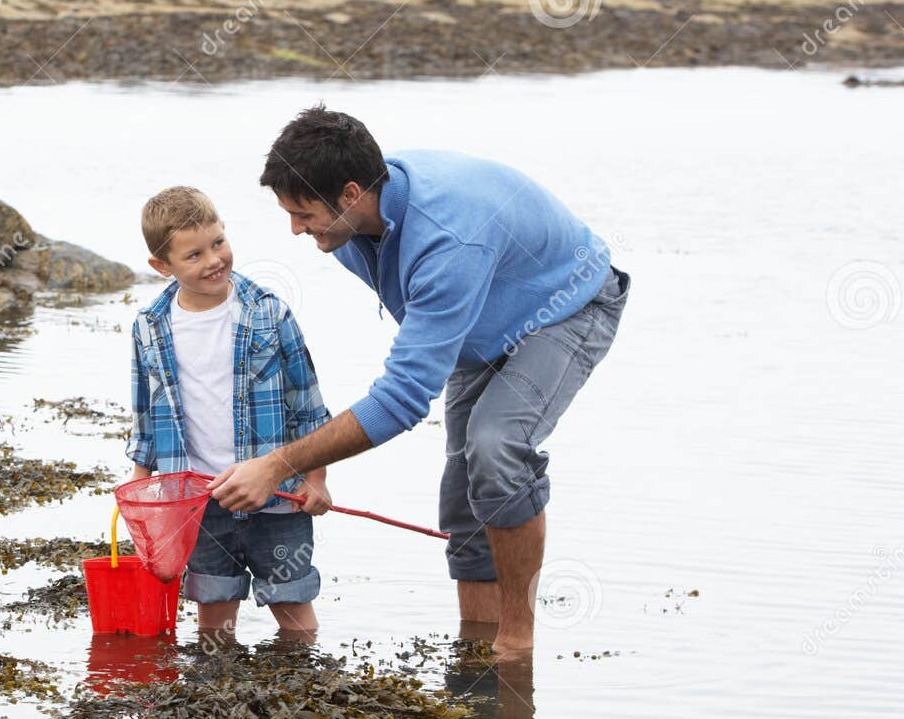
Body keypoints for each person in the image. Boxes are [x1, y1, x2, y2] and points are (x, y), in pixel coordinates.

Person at [212, 106, 629, 656]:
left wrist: (279, 464)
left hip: (568, 305)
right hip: (483, 319)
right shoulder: (352, 224)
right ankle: (477, 650)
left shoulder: (449, 239)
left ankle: (517, 645)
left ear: (352, 192)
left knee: (497, 448)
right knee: (463, 490)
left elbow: (404, 399)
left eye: (303, 212)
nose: (295, 228)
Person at [127, 186, 332, 637]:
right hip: (199, 503)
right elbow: (145, 417)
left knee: (294, 613)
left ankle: (302, 688)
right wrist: (140, 491)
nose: (213, 260)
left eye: (218, 242)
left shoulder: (269, 314)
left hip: (277, 498)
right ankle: (218, 697)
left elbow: (308, 405)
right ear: (163, 266)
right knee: (214, 619)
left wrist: (316, 481)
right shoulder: (149, 327)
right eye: (194, 254)